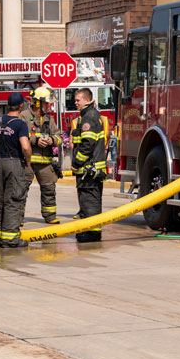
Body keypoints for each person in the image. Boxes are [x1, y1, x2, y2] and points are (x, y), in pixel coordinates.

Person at [0, 92, 32, 247]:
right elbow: (25, 146)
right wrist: (28, 161)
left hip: (0, 164)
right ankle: (10, 239)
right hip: (14, 163)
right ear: (21, 106)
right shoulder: (20, 124)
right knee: (13, 200)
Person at [20, 87, 63, 224]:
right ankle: (17, 218)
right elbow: (20, 136)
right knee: (21, 189)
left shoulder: (48, 119)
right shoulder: (24, 116)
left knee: (49, 189)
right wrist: (36, 140)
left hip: (45, 162)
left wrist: (52, 140)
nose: (48, 106)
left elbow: (60, 136)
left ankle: (50, 216)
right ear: (37, 103)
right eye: (46, 103)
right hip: (28, 161)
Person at [71, 88, 107, 243]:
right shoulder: (88, 115)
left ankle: (93, 234)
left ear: (86, 100)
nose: (75, 103)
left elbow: (88, 144)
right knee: (87, 201)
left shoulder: (89, 116)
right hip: (89, 169)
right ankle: (90, 231)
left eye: (78, 100)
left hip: (89, 169)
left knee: (90, 201)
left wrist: (76, 162)